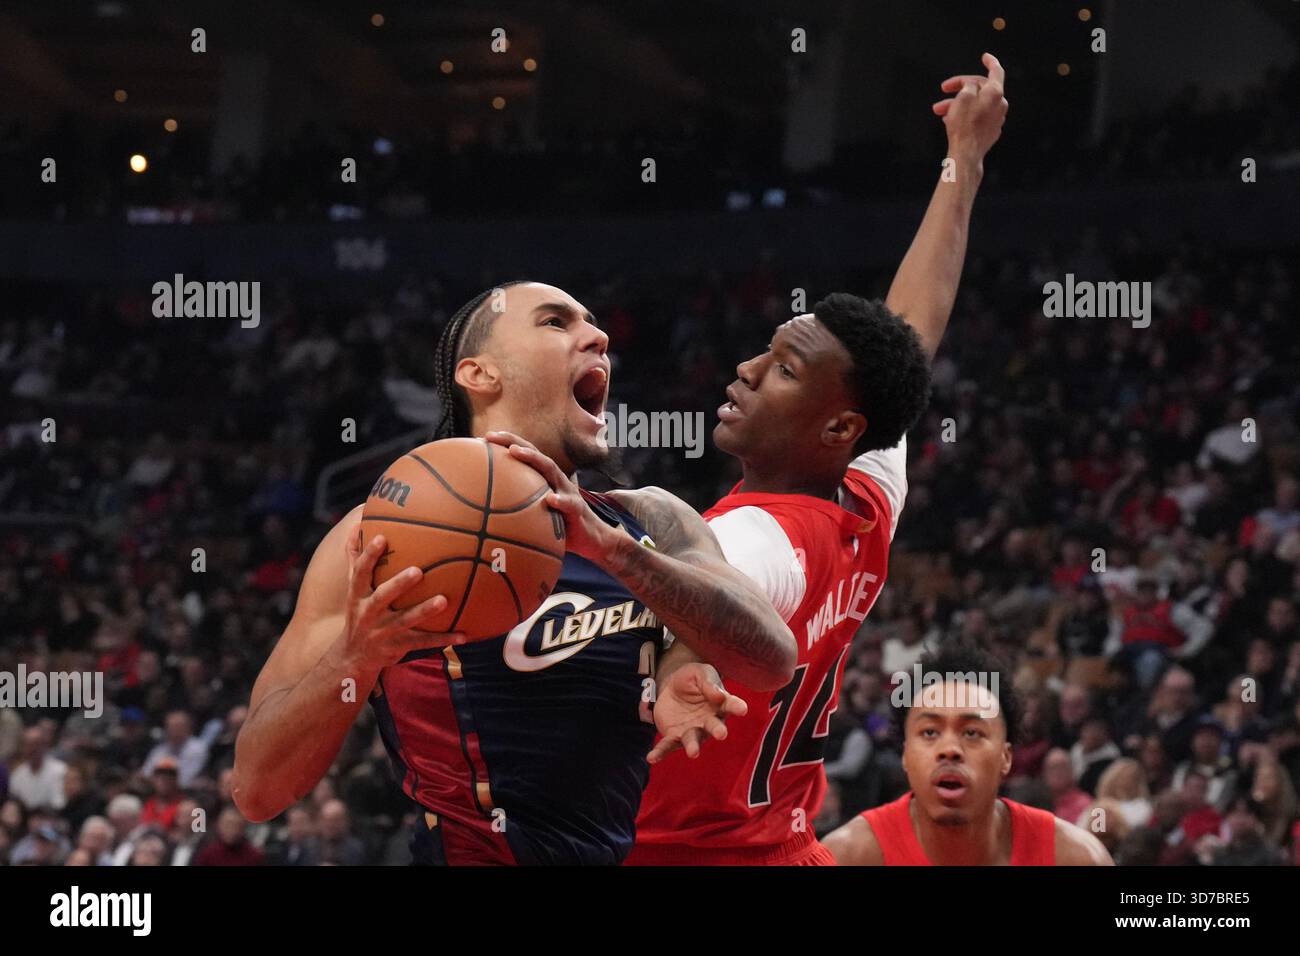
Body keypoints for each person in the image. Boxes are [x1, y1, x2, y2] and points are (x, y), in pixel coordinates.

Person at [232, 280, 795, 865]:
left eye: (595, 325)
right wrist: (354, 659)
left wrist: (617, 555)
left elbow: (771, 658)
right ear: (479, 374)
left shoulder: (649, 518)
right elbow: (257, 790)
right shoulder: (382, 534)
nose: (599, 337)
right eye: (556, 322)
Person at [629, 53, 1008, 866]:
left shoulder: (760, 538)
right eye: (764, 353)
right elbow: (914, 329)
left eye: (784, 370)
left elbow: (730, 587)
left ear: (837, 427)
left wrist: (679, 656)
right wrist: (963, 164)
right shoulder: (865, 496)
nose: (746, 371)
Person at [823, 643, 1112, 865]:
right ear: (906, 756)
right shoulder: (848, 854)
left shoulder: (1074, 857)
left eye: (972, 733)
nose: (950, 750)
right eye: (929, 733)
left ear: (1006, 757)